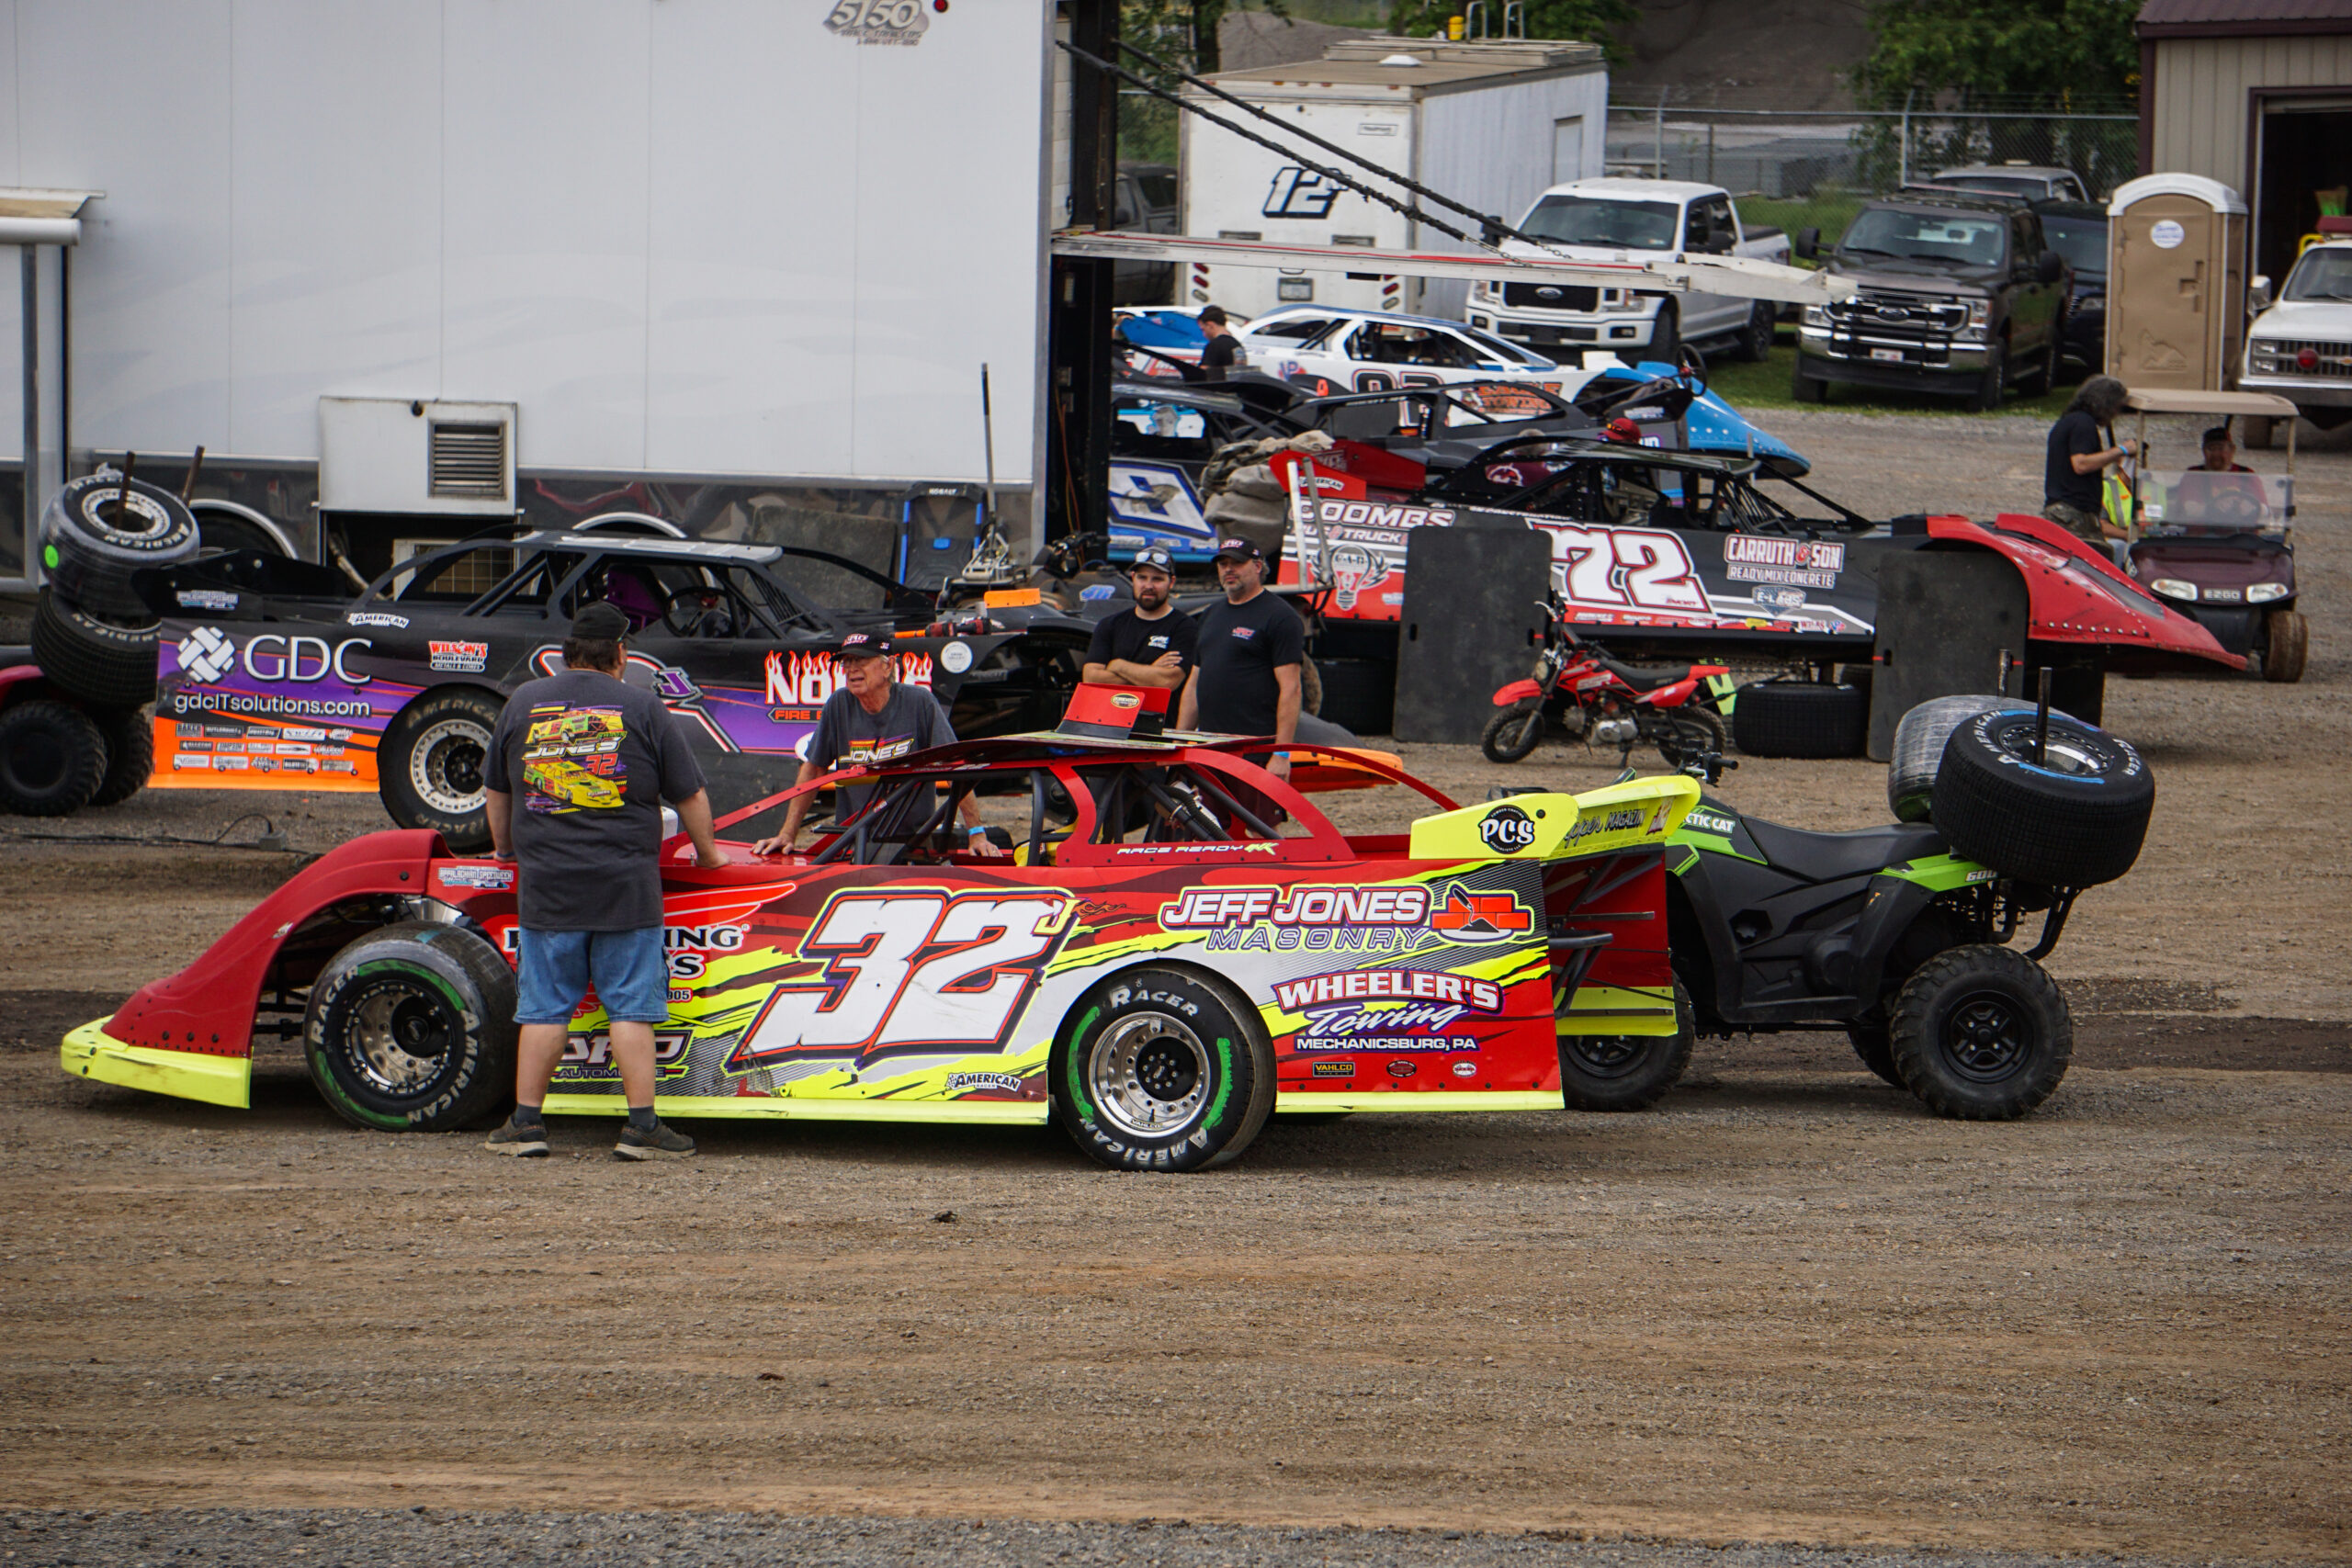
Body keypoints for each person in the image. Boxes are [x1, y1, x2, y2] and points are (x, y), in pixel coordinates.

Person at [481, 601, 729, 1162]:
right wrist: (710, 856)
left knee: (545, 1008)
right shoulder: (643, 706)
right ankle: (640, 1128)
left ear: (568, 654)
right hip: (625, 887)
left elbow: (498, 792)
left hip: (548, 886)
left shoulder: (522, 702)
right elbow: (688, 794)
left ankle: (525, 1125)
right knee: (630, 1010)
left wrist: (504, 849)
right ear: (620, 654)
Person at [752, 630, 1005, 857]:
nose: (851, 669)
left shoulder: (920, 703)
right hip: (853, 840)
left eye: (861, 661)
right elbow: (813, 769)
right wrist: (787, 833)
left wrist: (977, 833)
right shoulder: (838, 704)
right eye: (847, 662)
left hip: (913, 843)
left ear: (888, 666)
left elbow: (954, 769)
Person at [1177, 537, 1303, 784]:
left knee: (1259, 822)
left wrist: (1281, 753)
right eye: (1223, 564)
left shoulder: (1280, 616)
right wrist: (1179, 742)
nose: (1228, 569)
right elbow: (1194, 683)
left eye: (1237, 562)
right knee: (1210, 821)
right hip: (1211, 748)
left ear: (1257, 566)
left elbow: (1292, 689)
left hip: (1256, 749)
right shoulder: (1211, 615)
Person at [1081, 546, 1198, 689]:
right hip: (1116, 711)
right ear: (1133, 578)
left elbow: (1167, 682)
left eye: (1157, 579)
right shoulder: (1110, 625)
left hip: (1161, 712)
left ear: (1171, 582)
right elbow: (1091, 679)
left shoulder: (1185, 627)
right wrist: (1150, 670)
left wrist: (1118, 665)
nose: (1148, 586)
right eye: (1142, 577)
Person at [2043, 375, 2136, 541]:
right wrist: (2121, 450)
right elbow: (2081, 464)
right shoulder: (2083, 423)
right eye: (2116, 408)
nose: (2116, 414)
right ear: (2106, 404)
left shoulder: (2070, 421)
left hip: (2067, 512)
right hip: (2072, 514)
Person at [2171, 422, 2267, 524]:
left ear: (2232, 450)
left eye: (2221, 448)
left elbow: (2265, 510)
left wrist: (2250, 508)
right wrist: (2211, 508)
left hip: (2240, 533)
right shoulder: (2194, 475)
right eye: (2211, 449)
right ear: (2204, 451)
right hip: (2203, 536)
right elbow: (2187, 509)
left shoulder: (2246, 474)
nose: (2216, 454)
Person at [1198, 305, 1244, 382]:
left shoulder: (1215, 345)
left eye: (1203, 330)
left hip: (1218, 390)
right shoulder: (1237, 345)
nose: (1204, 334)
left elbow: (1202, 374)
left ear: (1210, 325)